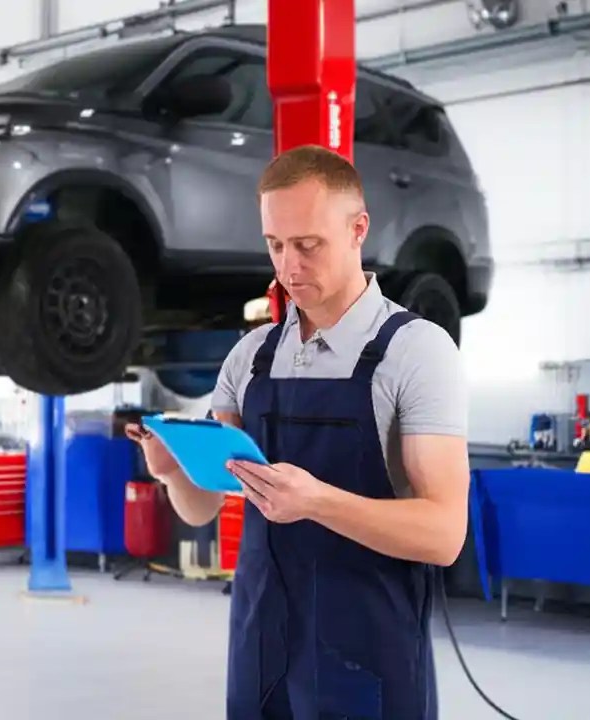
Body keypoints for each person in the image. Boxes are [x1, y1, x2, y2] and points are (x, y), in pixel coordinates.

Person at [126, 144, 470, 719]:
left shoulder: (416, 352)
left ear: (358, 229)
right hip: (262, 649)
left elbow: (443, 533)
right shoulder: (250, 357)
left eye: (308, 245)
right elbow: (203, 507)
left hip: (369, 653)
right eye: (275, 245)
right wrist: (172, 473)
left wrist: (315, 502)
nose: (289, 267)